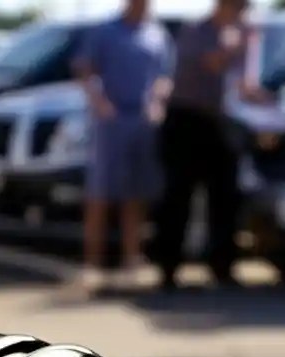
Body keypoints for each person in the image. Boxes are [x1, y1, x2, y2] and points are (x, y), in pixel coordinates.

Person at [154, 0, 265, 292]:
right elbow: (213, 62)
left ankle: (222, 266)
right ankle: (168, 268)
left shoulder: (239, 36)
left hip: (221, 120)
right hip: (187, 118)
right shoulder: (197, 31)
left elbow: (244, 84)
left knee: (226, 196)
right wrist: (242, 44)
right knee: (179, 195)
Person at [70, 0, 174, 297]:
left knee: (136, 194)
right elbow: (83, 68)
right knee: (101, 192)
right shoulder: (105, 31)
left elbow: (163, 74)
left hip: (143, 120)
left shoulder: (156, 34)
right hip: (111, 120)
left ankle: (132, 260)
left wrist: (157, 101)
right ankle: (93, 263)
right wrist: (99, 103)